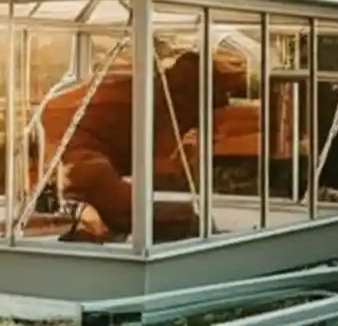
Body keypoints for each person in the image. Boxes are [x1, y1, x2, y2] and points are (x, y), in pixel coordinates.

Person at [33, 44, 248, 243]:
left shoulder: (152, 92)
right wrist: (194, 159)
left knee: (136, 209)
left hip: (68, 158)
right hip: (74, 160)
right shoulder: (162, 105)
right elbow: (162, 175)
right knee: (163, 214)